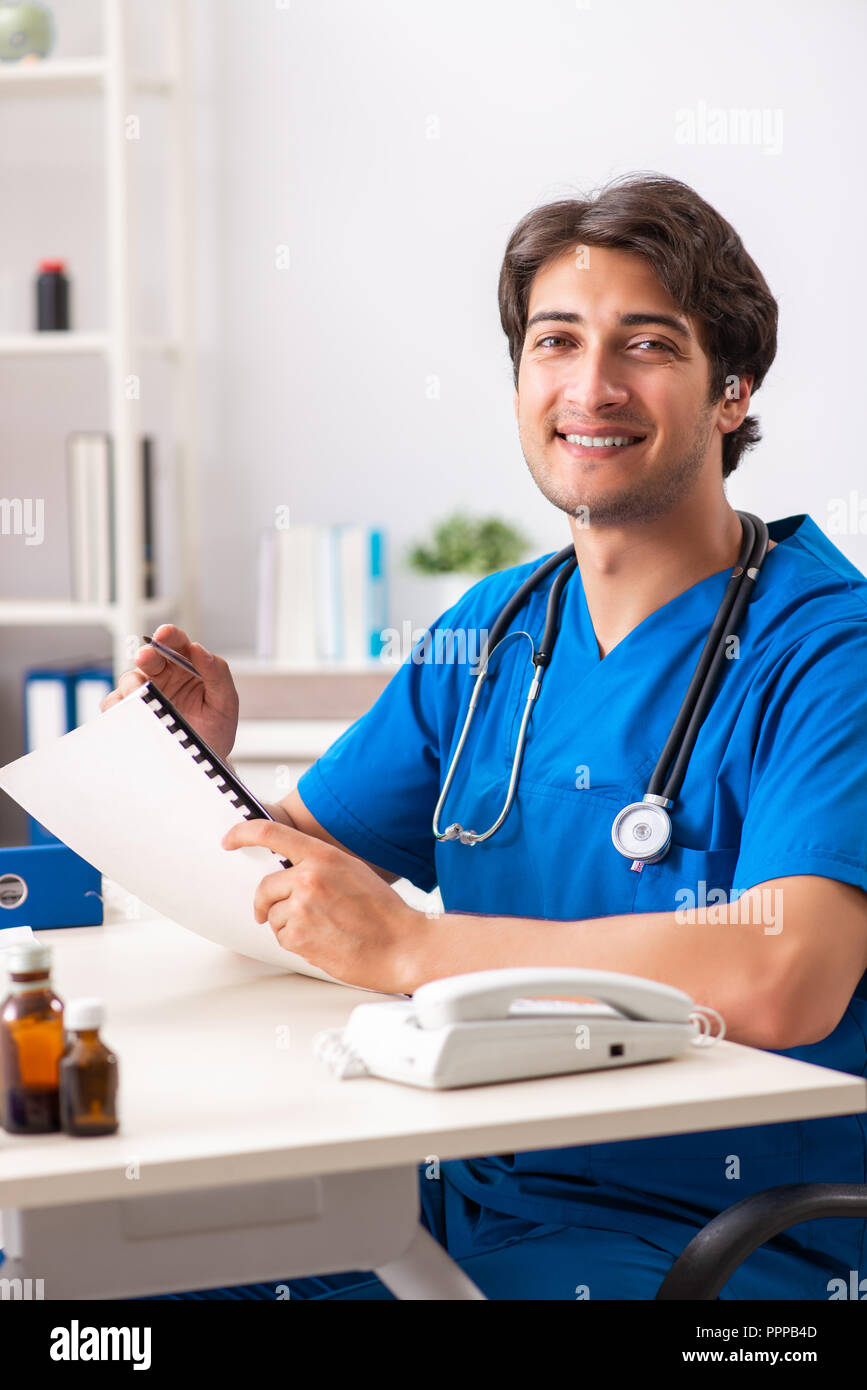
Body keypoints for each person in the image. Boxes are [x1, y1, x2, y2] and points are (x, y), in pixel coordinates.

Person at [105, 172, 867, 1301]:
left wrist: (415, 950)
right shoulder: (494, 633)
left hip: (713, 1242)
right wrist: (192, 770)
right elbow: (293, 886)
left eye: (646, 344)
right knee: (98, 1287)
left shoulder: (829, 652)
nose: (591, 386)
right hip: (457, 1189)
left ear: (731, 394)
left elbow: (783, 974)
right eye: (556, 342)